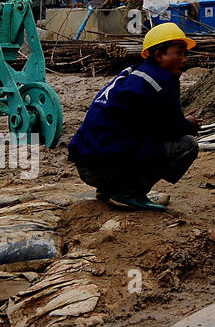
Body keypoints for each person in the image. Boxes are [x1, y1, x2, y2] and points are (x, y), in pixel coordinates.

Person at [67, 22, 201, 210]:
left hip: (87, 165)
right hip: (103, 167)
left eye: (184, 53)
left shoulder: (134, 74)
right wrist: (188, 125)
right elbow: (171, 129)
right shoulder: (161, 81)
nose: (184, 59)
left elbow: (143, 121)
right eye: (179, 53)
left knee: (137, 140)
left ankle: (108, 189)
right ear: (159, 55)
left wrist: (176, 122)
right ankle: (128, 193)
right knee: (187, 145)